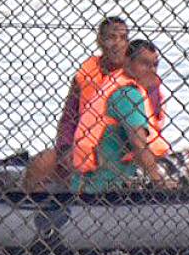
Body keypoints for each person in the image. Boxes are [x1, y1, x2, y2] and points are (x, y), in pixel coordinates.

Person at [67, 38, 189, 194]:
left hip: (87, 179)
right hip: (114, 181)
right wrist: (159, 181)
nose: (151, 70)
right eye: (144, 63)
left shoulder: (113, 83)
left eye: (155, 65)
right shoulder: (129, 95)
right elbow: (139, 144)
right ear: (127, 63)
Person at [20, 15, 128, 191]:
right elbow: (69, 119)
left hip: (120, 149)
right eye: (111, 38)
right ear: (100, 41)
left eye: (123, 38)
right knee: (41, 164)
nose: (118, 44)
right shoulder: (84, 76)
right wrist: (66, 149)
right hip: (82, 147)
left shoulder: (136, 73)